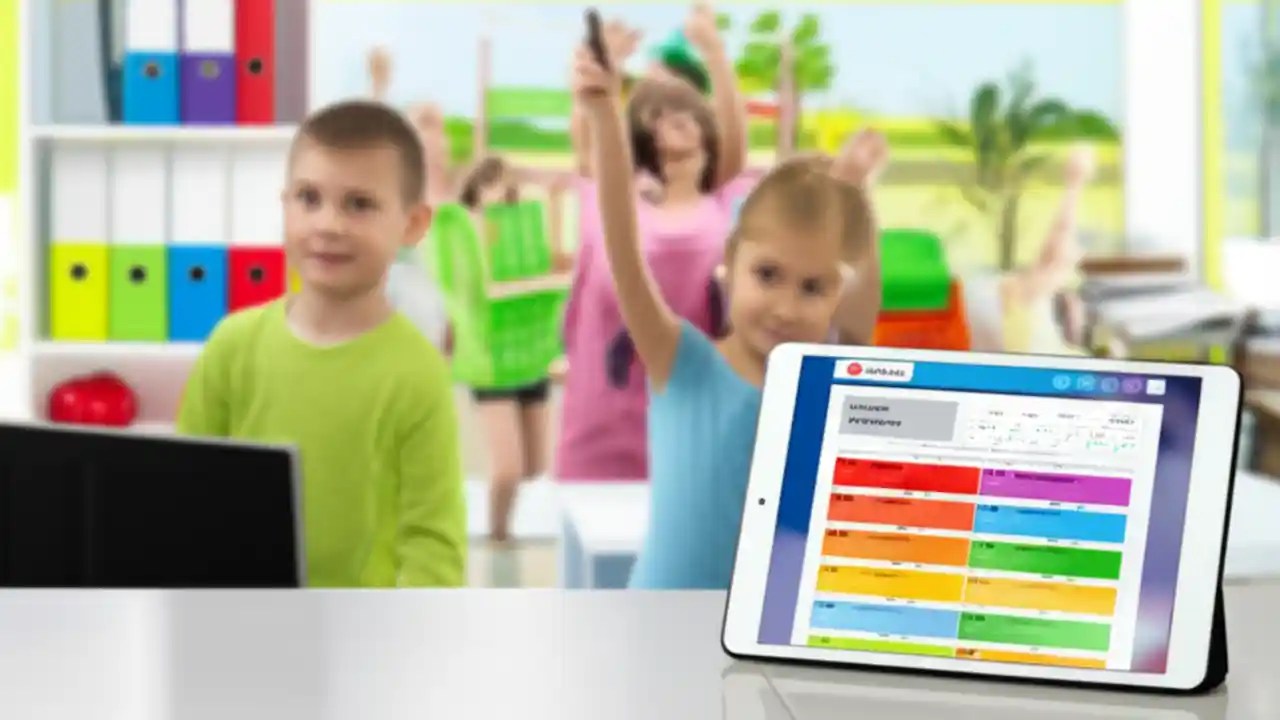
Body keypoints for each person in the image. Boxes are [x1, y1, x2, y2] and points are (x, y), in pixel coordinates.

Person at [571, 25, 888, 589]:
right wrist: (602, 114)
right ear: (729, 263)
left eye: (813, 288)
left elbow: (860, 312)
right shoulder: (684, 363)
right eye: (767, 276)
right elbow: (622, 244)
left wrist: (857, 192)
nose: (786, 307)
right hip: (661, 625)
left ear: (834, 296)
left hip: (763, 633)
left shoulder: (824, 382)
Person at [175, 100, 467, 588]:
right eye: (309, 198)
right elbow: (184, 499)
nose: (328, 225)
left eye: (359, 204)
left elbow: (433, 545)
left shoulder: (418, 374)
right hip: (236, 617)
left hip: (365, 630)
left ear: (413, 224)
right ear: (284, 205)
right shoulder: (232, 345)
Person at [555, 4, 752, 482]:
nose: (671, 125)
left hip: (691, 442)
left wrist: (714, 51)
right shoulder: (616, 195)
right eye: (658, 116)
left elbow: (732, 146)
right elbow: (591, 147)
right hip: (601, 442)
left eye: (685, 114)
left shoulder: (718, 201)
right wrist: (599, 89)